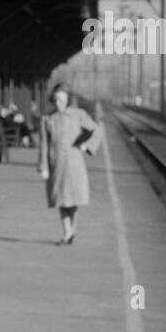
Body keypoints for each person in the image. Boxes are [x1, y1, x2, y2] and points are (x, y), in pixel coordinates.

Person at [37, 82, 100, 244]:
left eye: (62, 100)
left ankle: (71, 230)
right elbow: (44, 144)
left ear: (68, 100)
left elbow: (96, 130)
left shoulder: (79, 115)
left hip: (74, 163)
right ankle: (67, 232)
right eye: (56, 100)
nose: (59, 104)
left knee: (73, 199)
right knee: (60, 199)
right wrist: (43, 166)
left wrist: (87, 146)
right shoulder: (48, 119)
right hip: (56, 163)